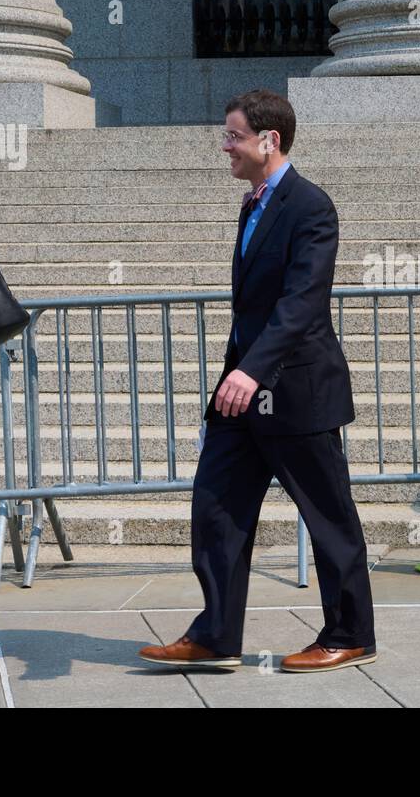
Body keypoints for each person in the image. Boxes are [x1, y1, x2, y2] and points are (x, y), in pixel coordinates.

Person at [138, 89, 376, 673]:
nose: (225, 147)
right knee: (215, 507)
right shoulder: (253, 203)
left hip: (298, 392)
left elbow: (300, 305)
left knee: (328, 518)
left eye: (233, 136)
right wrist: (230, 381)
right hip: (241, 396)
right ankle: (217, 634)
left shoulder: (310, 207)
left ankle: (350, 633)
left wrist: (251, 370)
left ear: (269, 140)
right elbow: (251, 309)